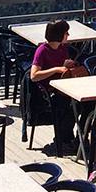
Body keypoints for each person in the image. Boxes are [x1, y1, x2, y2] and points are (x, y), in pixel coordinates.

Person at [29, 19, 80, 155]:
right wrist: (55, 69)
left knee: (85, 104)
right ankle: (63, 139)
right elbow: (34, 76)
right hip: (47, 92)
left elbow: (63, 64)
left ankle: (75, 137)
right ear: (59, 35)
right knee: (70, 105)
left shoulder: (62, 47)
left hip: (64, 86)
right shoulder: (42, 51)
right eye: (66, 33)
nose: (68, 35)